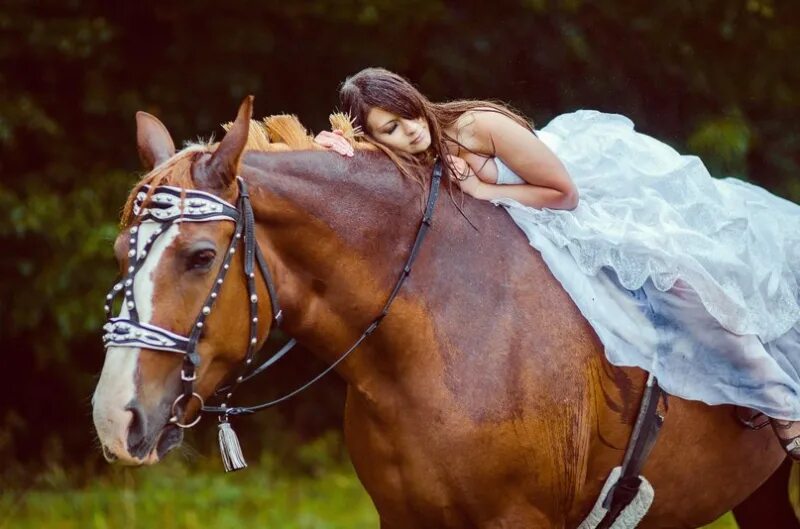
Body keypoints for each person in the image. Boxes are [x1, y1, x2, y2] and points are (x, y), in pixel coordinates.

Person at [314, 67, 800, 458]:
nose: (411, 131)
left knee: (676, 284)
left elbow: (564, 195)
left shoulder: (475, 126)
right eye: (391, 130)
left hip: (584, 203)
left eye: (409, 114)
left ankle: (782, 402)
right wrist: (336, 148)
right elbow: (355, 176)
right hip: (524, 230)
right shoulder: (404, 156)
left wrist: (487, 190)